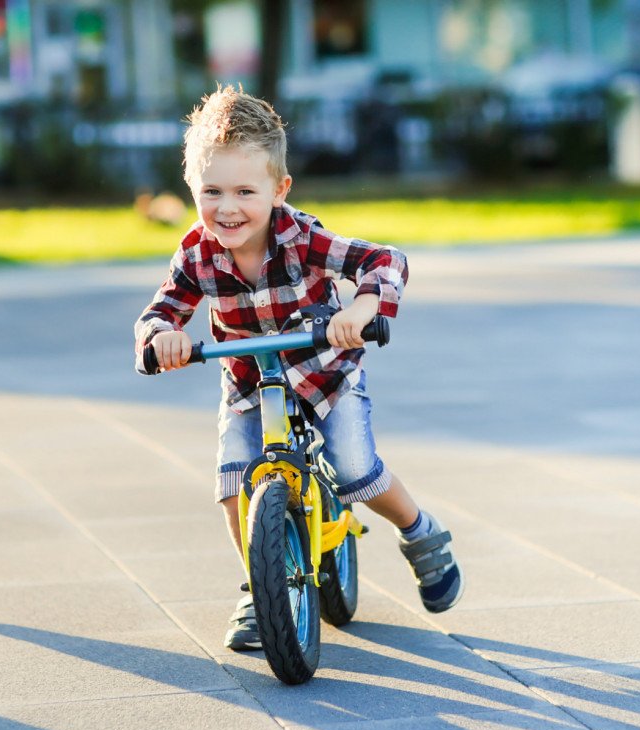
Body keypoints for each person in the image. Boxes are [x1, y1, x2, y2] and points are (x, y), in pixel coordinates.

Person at [134, 85, 463, 651]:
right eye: (212, 192)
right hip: (250, 385)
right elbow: (160, 310)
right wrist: (162, 336)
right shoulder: (195, 253)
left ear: (279, 189)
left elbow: (385, 262)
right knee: (234, 483)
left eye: (245, 191)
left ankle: (420, 532)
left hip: (325, 376)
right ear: (192, 189)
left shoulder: (302, 238)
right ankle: (257, 588)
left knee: (355, 469)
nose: (227, 208)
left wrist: (361, 308)